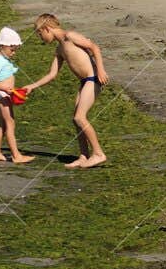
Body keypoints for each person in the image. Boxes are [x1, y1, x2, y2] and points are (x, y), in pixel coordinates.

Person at [29, 13, 109, 169]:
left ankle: (98, 153)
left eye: (39, 34)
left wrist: (100, 70)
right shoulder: (59, 49)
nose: (40, 38)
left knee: (80, 117)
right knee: (76, 119)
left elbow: (94, 47)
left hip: (93, 79)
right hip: (84, 82)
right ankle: (83, 156)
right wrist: (32, 86)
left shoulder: (70, 36)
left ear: (46, 28)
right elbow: (52, 75)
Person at [0, 27, 34, 163]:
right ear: (2, 46)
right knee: (10, 123)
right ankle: (16, 156)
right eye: (12, 50)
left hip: (5, 94)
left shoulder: (4, 59)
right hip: (2, 94)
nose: (13, 53)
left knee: (3, 124)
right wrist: (4, 89)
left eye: (15, 50)